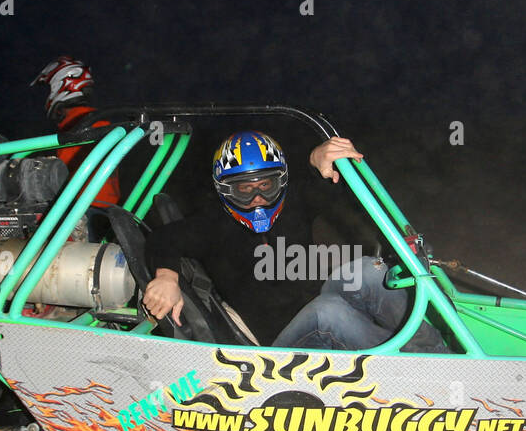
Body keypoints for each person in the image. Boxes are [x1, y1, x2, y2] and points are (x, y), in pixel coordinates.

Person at [143, 131, 450, 352]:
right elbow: (164, 239)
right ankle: (413, 373)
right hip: (280, 348)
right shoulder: (211, 224)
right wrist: (166, 276)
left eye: (266, 184)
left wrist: (318, 159)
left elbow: (346, 196)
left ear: (281, 181)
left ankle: (438, 356)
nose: (257, 199)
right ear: (225, 190)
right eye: (244, 189)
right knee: (329, 313)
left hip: (318, 298)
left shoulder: (295, 201)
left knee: (370, 269)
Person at [31, 55, 120, 207]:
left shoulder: (77, 127)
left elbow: (60, 181)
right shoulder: (99, 121)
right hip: (105, 212)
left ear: (60, 85)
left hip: (82, 213)